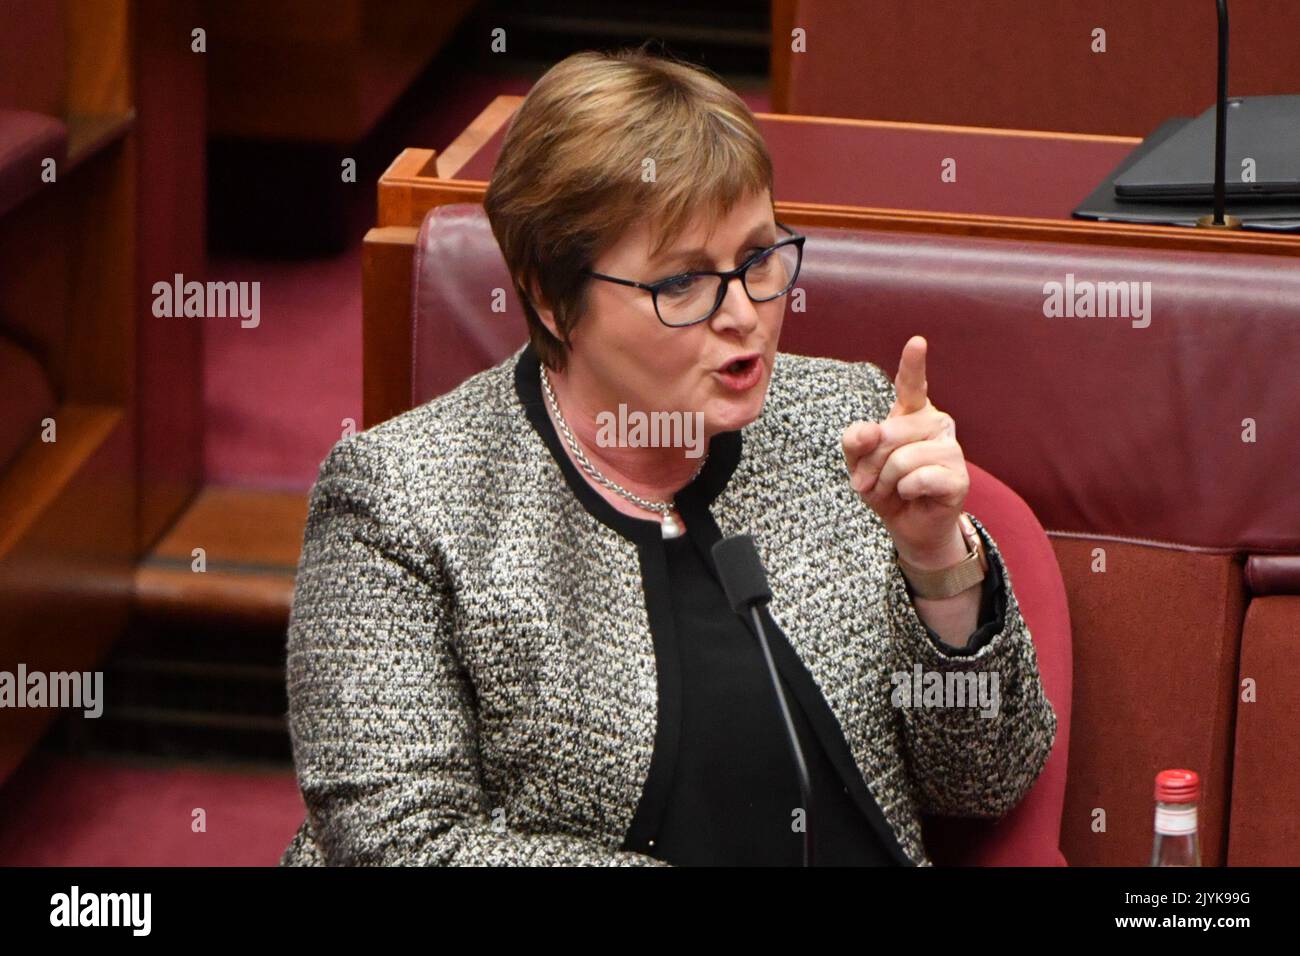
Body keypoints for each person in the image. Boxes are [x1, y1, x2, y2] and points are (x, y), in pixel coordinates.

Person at [279, 46, 1056, 866]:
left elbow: (984, 782)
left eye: (758, 260)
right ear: (551, 297)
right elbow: (401, 847)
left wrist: (936, 561)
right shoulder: (402, 500)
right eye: (683, 281)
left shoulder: (848, 421)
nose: (745, 315)